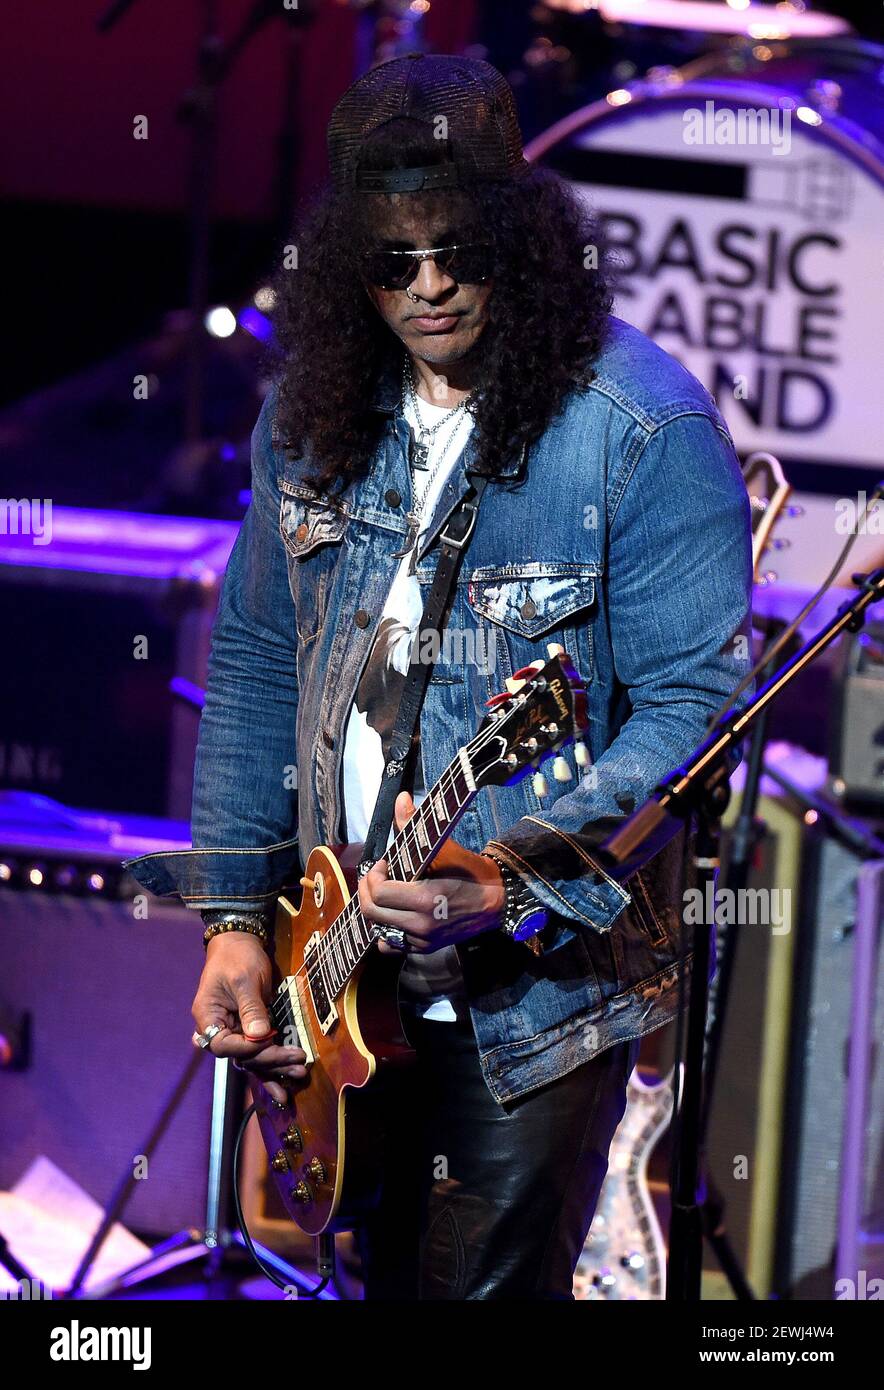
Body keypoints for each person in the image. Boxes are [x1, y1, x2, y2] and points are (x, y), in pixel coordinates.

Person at [128, 53, 752, 1300]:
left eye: (456, 250)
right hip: (338, 961)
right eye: (389, 259)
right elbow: (254, 659)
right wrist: (238, 921)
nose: (426, 287)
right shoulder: (311, 412)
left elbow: (693, 717)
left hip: (535, 1003)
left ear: (519, 238)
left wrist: (510, 874)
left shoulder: (640, 430)